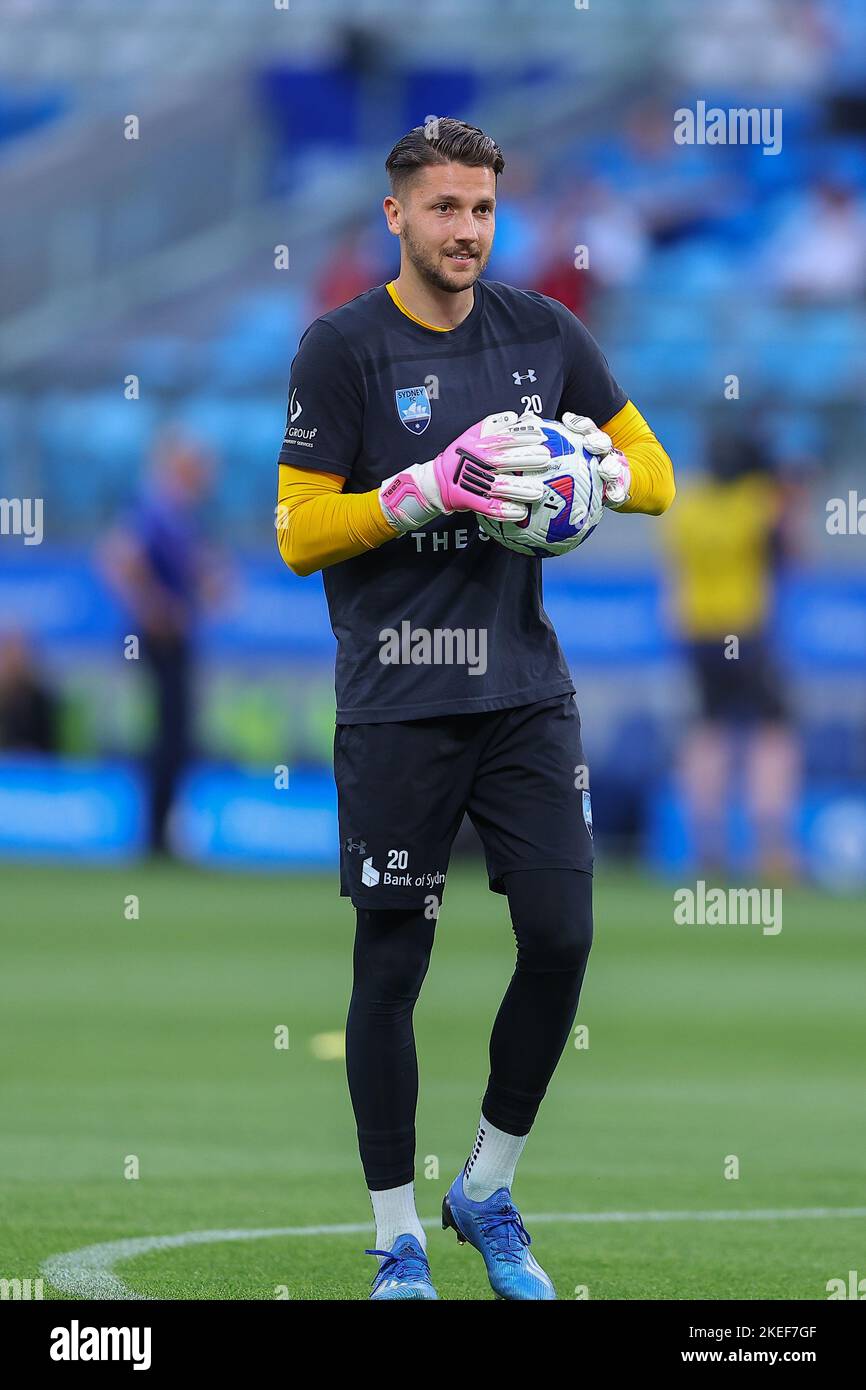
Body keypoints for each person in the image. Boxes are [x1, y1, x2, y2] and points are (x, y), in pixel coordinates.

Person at [275, 118, 674, 1300]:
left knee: (561, 935)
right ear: (394, 216)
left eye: (483, 211)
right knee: (392, 961)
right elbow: (299, 532)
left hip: (520, 691)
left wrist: (597, 472)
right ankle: (397, 1233)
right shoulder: (339, 348)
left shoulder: (541, 332)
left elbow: (652, 469)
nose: (466, 232)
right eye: (444, 209)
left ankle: (485, 1186)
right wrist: (417, 491)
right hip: (397, 694)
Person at [663, 423, 801, 877]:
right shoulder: (757, 501)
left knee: (708, 731)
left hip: (696, 631)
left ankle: (708, 849)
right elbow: (795, 554)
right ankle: (773, 852)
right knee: (771, 734)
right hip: (745, 633)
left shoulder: (690, 502)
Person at [102, 431, 216, 856]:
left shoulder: (181, 513)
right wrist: (155, 609)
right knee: (167, 735)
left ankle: (162, 830)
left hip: (176, 638)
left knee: (177, 735)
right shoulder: (155, 508)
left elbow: (200, 573)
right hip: (157, 640)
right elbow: (117, 561)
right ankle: (154, 835)